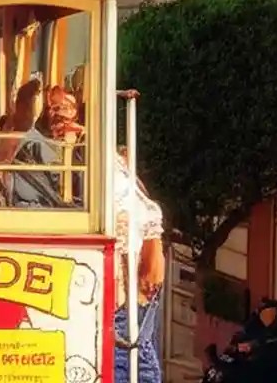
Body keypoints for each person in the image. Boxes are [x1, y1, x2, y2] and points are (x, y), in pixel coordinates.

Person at [114, 149, 165, 383]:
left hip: (134, 300)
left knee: (138, 357)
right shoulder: (120, 182)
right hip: (129, 299)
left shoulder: (122, 180)